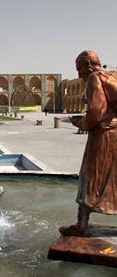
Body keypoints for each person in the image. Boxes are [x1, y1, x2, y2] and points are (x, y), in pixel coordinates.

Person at [60, 50, 117, 236]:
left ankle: (81, 225)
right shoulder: (113, 76)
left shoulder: (95, 78)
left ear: (89, 65)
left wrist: (81, 123)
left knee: (89, 177)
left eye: (80, 68)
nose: (79, 74)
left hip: (103, 138)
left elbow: (96, 113)